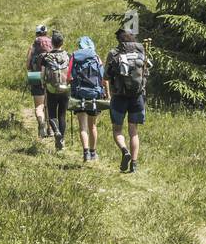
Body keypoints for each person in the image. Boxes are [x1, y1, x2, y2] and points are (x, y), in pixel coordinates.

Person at [104, 27, 150, 174]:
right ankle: (134, 164)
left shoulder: (114, 53)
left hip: (119, 97)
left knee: (117, 129)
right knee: (134, 132)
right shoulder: (141, 52)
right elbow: (146, 72)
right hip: (137, 97)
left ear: (119, 40)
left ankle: (125, 151)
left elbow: (105, 76)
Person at [68, 35, 105, 163]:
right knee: (93, 126)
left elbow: (69, 77)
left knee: (82, 126)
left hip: (79, 94)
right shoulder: (96, 57)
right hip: (94, 94)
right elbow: (102, 77)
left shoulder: (74, 56)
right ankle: (93, 153)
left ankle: (85, 153)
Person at [42, 31, 71, 151]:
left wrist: (43, 83)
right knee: (62, 115)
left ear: (51, 43)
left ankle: (56, 132)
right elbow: (70, 72)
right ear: (62, 42)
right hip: (65, 89)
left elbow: (42, 74)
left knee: (52, 113)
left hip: (51, 88)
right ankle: (62, 140)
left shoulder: (46, 57)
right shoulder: (68, 55)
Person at [26, 24, 53, 138]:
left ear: (36, 34)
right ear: (46, 33)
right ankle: (50, 129)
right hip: (51, 77)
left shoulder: (32, 47)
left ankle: (41, 124)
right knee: (50, 105)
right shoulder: (53, 45)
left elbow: (28, 66)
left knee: (39, 106)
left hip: (36, 76)